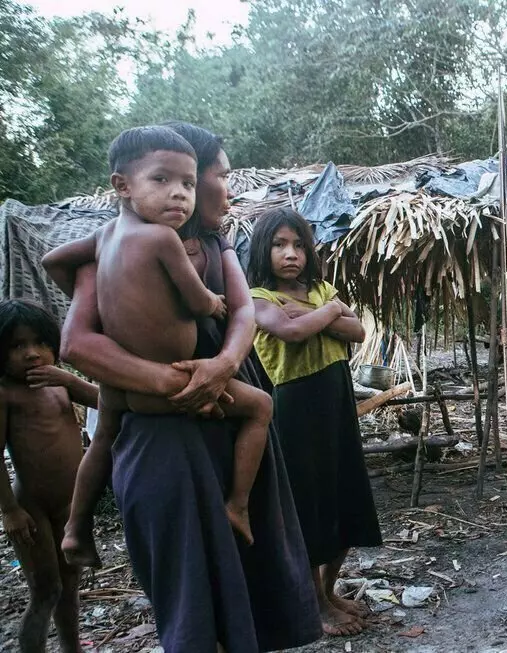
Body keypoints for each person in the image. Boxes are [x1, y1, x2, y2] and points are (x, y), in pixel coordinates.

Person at [54, 122, 321, 652]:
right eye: (221, 174)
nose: (226, 187)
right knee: (192, 598)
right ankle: (76, 527)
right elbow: (77, 344)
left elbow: (242, 310)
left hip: (223, 412)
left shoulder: (213, 245)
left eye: (200, 180)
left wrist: (222, 364)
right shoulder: (113, 248)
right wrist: (174, 383)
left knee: (250, 583)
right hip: (166, 434)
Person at [43, 126, 272, 548]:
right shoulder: (162, 240)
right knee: (260, 408)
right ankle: (237, 504)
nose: (179, 193)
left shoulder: (106, 241)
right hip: (175, 386)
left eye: (186, 183)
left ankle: (76, 528)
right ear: (123, 185)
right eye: (220, 176)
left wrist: (116, 299)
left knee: (102, 441)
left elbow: (52, 259)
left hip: (124, 390)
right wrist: (210, 305)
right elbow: (200, 302)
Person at [248, 207, 383, 637]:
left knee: (344, 495)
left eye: (299, 245)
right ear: (262, 251)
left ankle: (328, 589)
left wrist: (312, 312)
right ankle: (313, 604)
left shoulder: (321, 288)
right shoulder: (258, 298)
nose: (291, 254)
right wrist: (330, 313)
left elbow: (359, 332)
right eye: (279, 245)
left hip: (336, 403)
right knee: (308, 504)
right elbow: (290, 333)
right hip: (295, 411)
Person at [0, 299, 98, 653]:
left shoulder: (59, 384)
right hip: (32, 508)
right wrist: (10, 510)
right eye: (17, 346)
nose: (31, 354)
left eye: (40, 343)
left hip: (69, 504)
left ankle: (73, 649)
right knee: (45, 589)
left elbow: (106, 401)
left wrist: (68, 378)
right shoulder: (6, 394)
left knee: (70, 585)